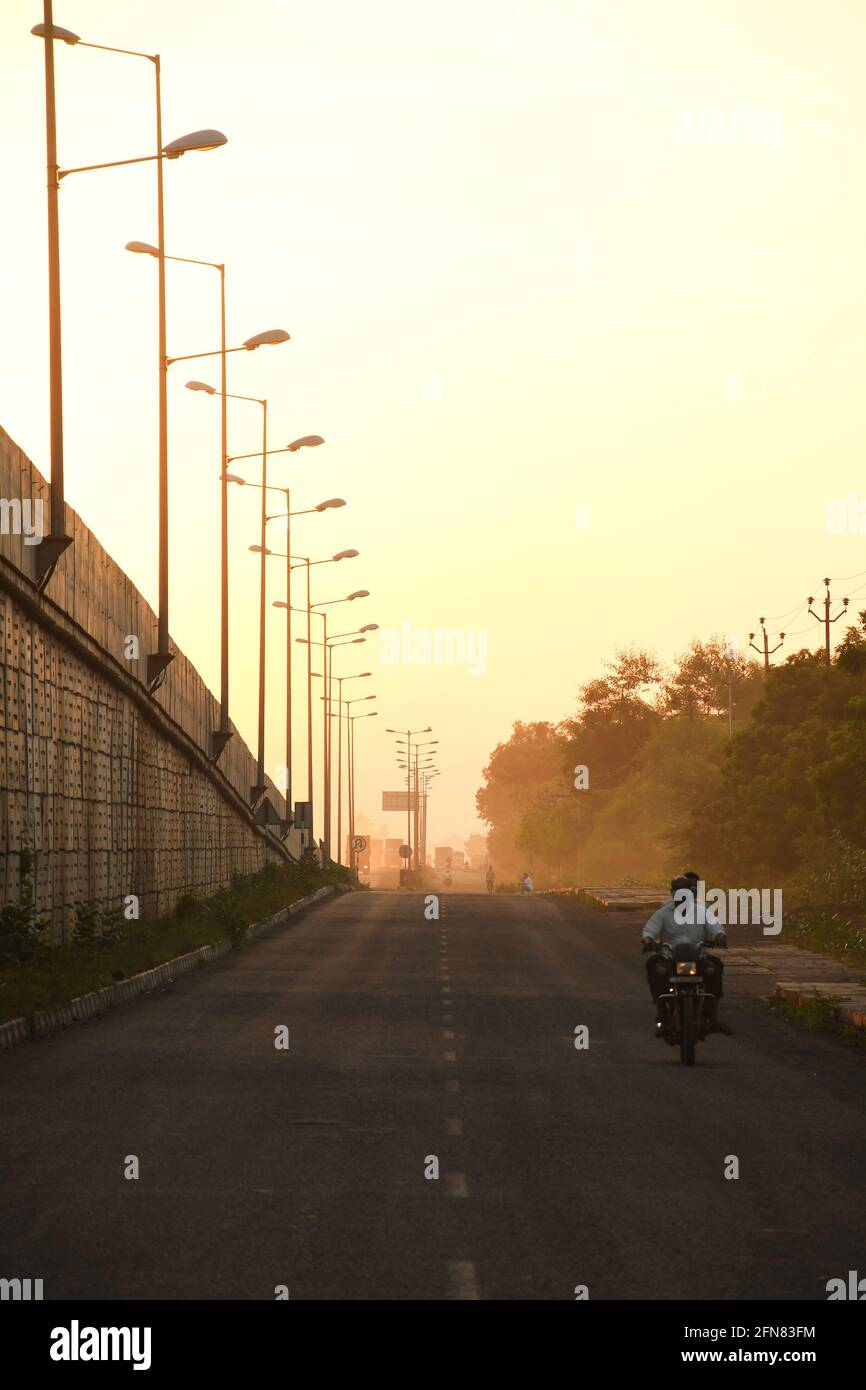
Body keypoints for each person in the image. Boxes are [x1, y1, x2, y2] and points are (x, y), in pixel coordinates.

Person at [641, 874, 732, 1035]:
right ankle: (662, 1010)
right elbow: (650, 929)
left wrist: (719, 936)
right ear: (672, 892)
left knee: (715, 968)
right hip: (669, 956)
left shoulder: (702, 911)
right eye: (678, 891)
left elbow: (715, 926)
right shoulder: (663, 912)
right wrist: (648, 940)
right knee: (654, 968)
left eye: (685, 891)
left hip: (698, 956)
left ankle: (712, 1015)